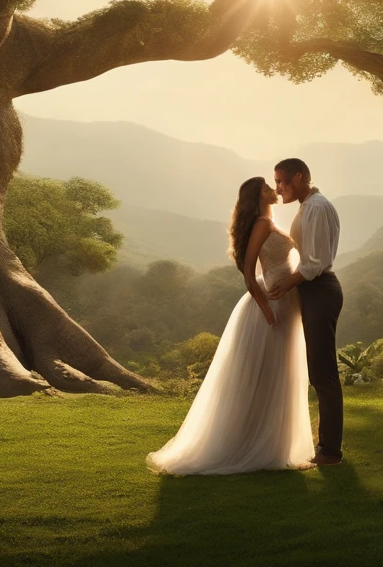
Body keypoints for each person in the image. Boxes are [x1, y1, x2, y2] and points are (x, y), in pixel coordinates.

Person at [146, 177, 314, 475]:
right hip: (272, 303)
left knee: (278, 374)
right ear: (258, 196)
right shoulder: (262, 224)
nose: (273, 190)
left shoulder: (268, 222)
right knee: (270, 374)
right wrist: (266, 310)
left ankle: (274, 446)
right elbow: (248, 273)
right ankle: (260, 447)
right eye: (267, 188)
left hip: (284, 300)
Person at [268, 158, 343, 466]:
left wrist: (286, 283)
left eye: (281, 181)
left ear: (299, 177)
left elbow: (314, 263)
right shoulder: (309, 206)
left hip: (320, 290)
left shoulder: (315, 208)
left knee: (323, 373)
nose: (277, 188)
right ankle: (327, 447)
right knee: (319, 372)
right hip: (315, 290)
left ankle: (330, 451)